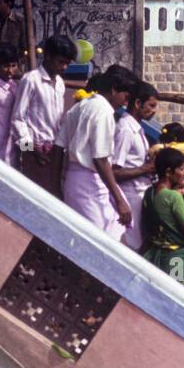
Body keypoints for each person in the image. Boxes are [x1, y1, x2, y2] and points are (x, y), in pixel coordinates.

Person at [57, 67, 134, 239]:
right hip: (89, 182)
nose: (125, 102)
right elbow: (100, 159)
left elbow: (58, 147)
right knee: (102, 241)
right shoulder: (104, 110)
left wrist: (56, 185)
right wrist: (119, 200)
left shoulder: (79, 106)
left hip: (74, 180)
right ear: (114, 90)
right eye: (126, 97)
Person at [11, 34, 76, 196]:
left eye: (67, 63)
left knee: (53, 196)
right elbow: (17, 119)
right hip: (33, 151)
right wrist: (30, 150)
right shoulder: (31, 80)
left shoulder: (60, 83)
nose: (64, 67)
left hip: (54, 151)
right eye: (61, 62)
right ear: (47, 56)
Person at [141, 147, 184, 289]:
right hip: (176, 257)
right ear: (169, 172)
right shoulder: (173, 196)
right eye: (181, 169)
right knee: (178, 295)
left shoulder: (150, 193)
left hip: (157, 254)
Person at [112, 81, 158, 252]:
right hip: (129, 196)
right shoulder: (124, 129)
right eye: (151, 105)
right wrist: (146, 169)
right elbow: (114, 171)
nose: (154, 111)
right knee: (132, 247)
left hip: (140, 195)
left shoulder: (137, 129)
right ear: (138, 103)